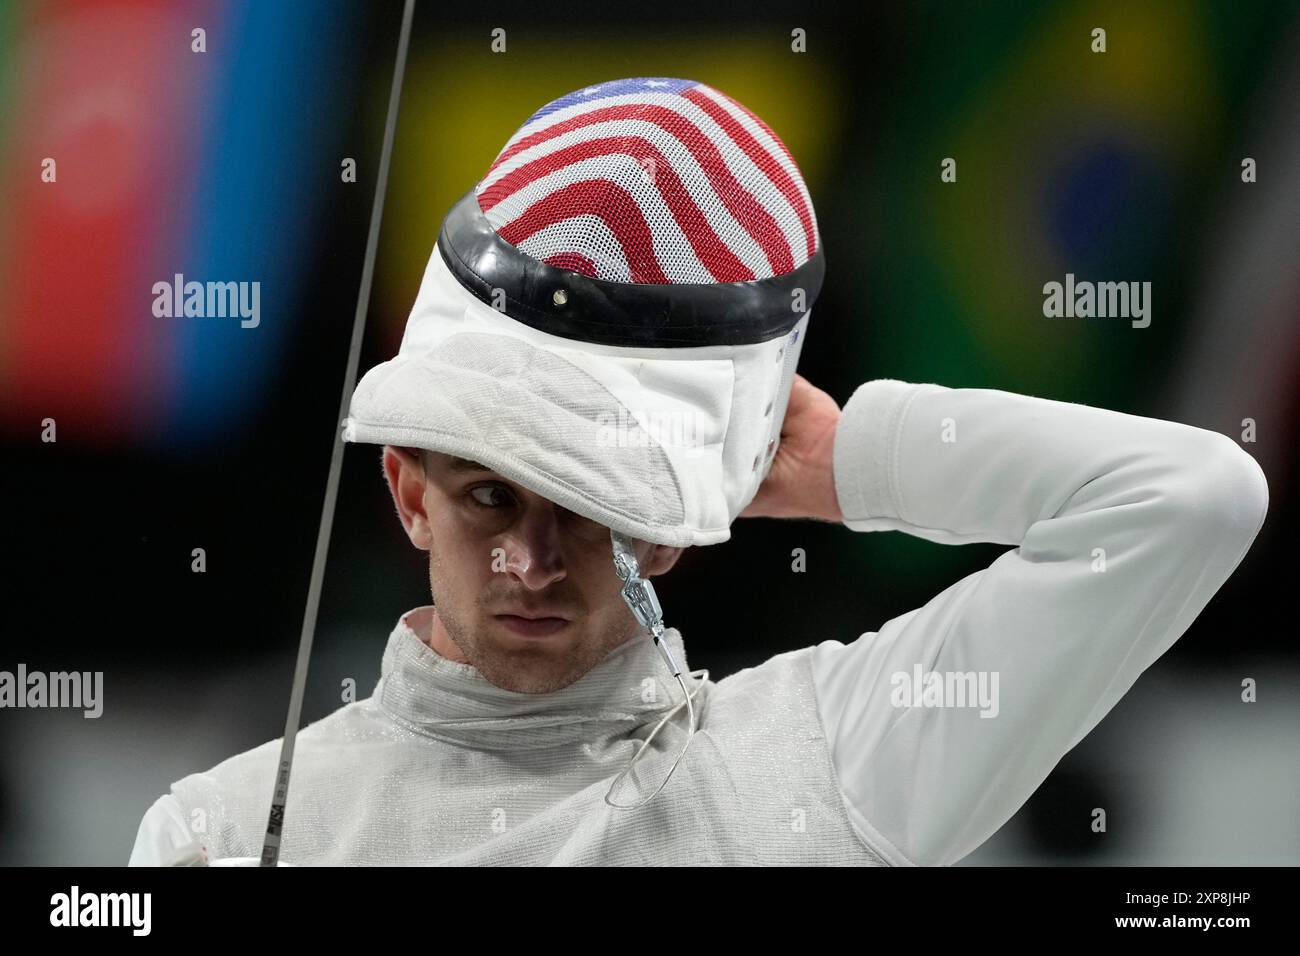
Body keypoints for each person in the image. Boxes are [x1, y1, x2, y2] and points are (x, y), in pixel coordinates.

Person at [128, 78, 1269, 866]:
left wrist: (844, 465)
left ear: (669, 530)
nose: (532, 559)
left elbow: (1189, 498)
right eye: (489, 495)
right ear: (409, 493)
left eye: (590, 506)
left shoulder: (828, 757)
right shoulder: (225, 829)